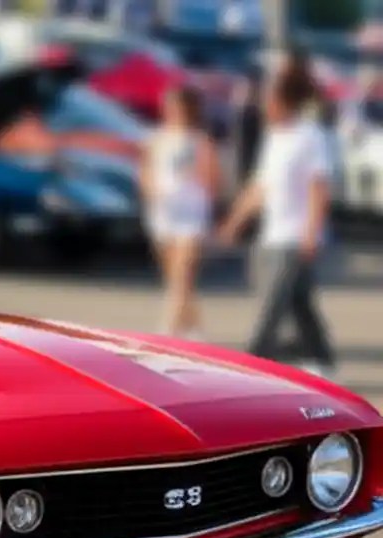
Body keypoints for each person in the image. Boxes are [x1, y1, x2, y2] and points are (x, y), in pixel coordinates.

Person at [219, 70, 337, 377]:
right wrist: (234, 222)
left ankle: (250, 367)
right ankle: (321, 359)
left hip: (296, 235)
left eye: (270, 101)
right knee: (299, 303)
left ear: (285, 102)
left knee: (270, 307)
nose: (265, 107)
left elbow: (319, 186)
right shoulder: (274, 138)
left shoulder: (310, 135)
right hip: (272, 234)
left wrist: (311, 231)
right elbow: (260, 187)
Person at [142, 86, 218, 339]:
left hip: (191, 215)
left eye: (176, 106)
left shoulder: (200, 140)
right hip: (163, 214)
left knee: (182, 276)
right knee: (176, 280)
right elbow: (146, 173)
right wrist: (153, 192)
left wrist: (202, 188)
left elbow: (212, 179)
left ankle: (167, 335)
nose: (171, 111)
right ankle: (194, 329)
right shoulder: (157, 138)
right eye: (168, 106)